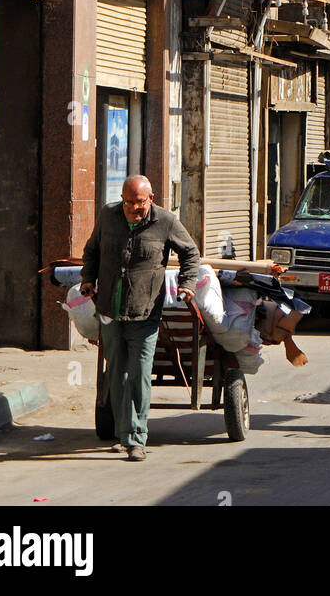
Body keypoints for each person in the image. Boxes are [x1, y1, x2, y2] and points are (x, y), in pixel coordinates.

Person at [81, 175, 201, 461]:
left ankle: (136, 439)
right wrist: (88, 278)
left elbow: (191, 253)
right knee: (117, 374)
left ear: (152, 197)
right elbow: (92, 251)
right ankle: (123, 436)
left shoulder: (166, 222)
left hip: (145, 311)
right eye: (128, 202)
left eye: (140, 203)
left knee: (139, 374)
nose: (134, 208)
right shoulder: (108, 216)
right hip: (110, 309)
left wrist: (187, 283)